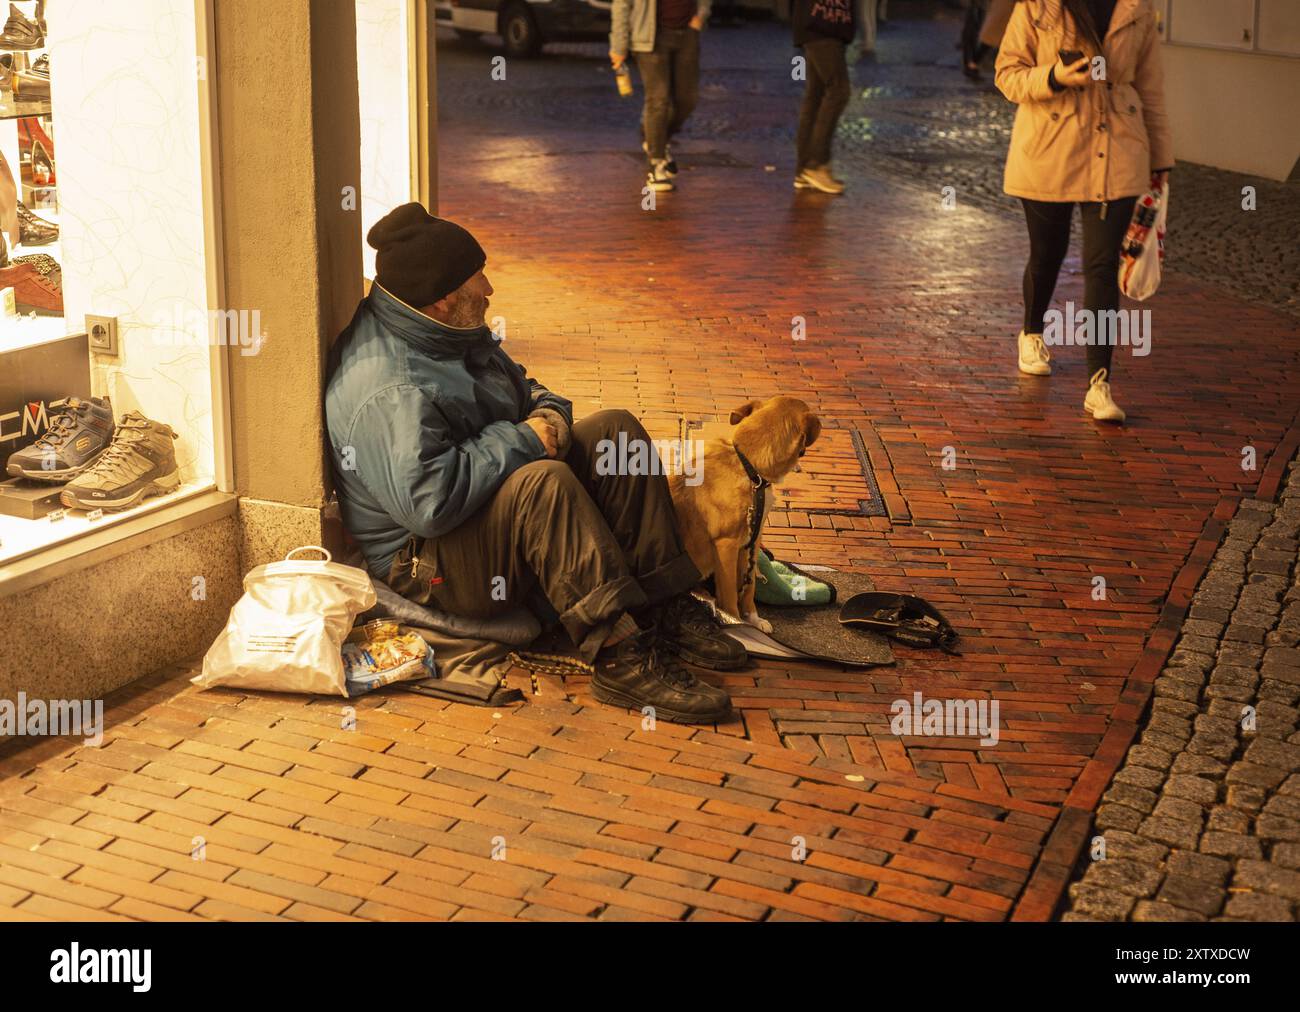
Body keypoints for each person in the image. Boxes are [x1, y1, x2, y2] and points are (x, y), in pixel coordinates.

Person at [325, 204, 745, 723]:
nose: (489, 287)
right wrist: (522, 439)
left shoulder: (448, 331)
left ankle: (660, 605)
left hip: (482, 515)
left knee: (616, 432)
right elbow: (429, 504)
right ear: (442, 299)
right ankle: (618, 654)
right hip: (429, 563)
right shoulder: (387, 387)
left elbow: (528, 390)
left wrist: (547, 416)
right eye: (478, 276)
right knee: (542, 482)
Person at [995, 0, 1171, 423]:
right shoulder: (1038, 6)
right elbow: (1007, 74)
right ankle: (1032, 333)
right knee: (1048, 253)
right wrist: (1053, 76)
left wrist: (1161, 158)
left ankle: (1100, 384)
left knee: (1102, 264)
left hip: (1118, 147)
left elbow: (1151, 90)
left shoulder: (1137, 9)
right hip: (1049, 146)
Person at [610, 0, 711, 194]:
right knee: (658, 100)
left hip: (687, 34)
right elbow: (622, 4)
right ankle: (656, 164)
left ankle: (655, 139)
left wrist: (701, 14)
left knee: (687, 99)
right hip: (650, 37)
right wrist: (618, 45)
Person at [793, 0, 855, 194]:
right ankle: (815, 163)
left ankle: (804, 168)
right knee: (838, 91)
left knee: (816, 96)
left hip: (820, 25)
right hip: (823, 25)